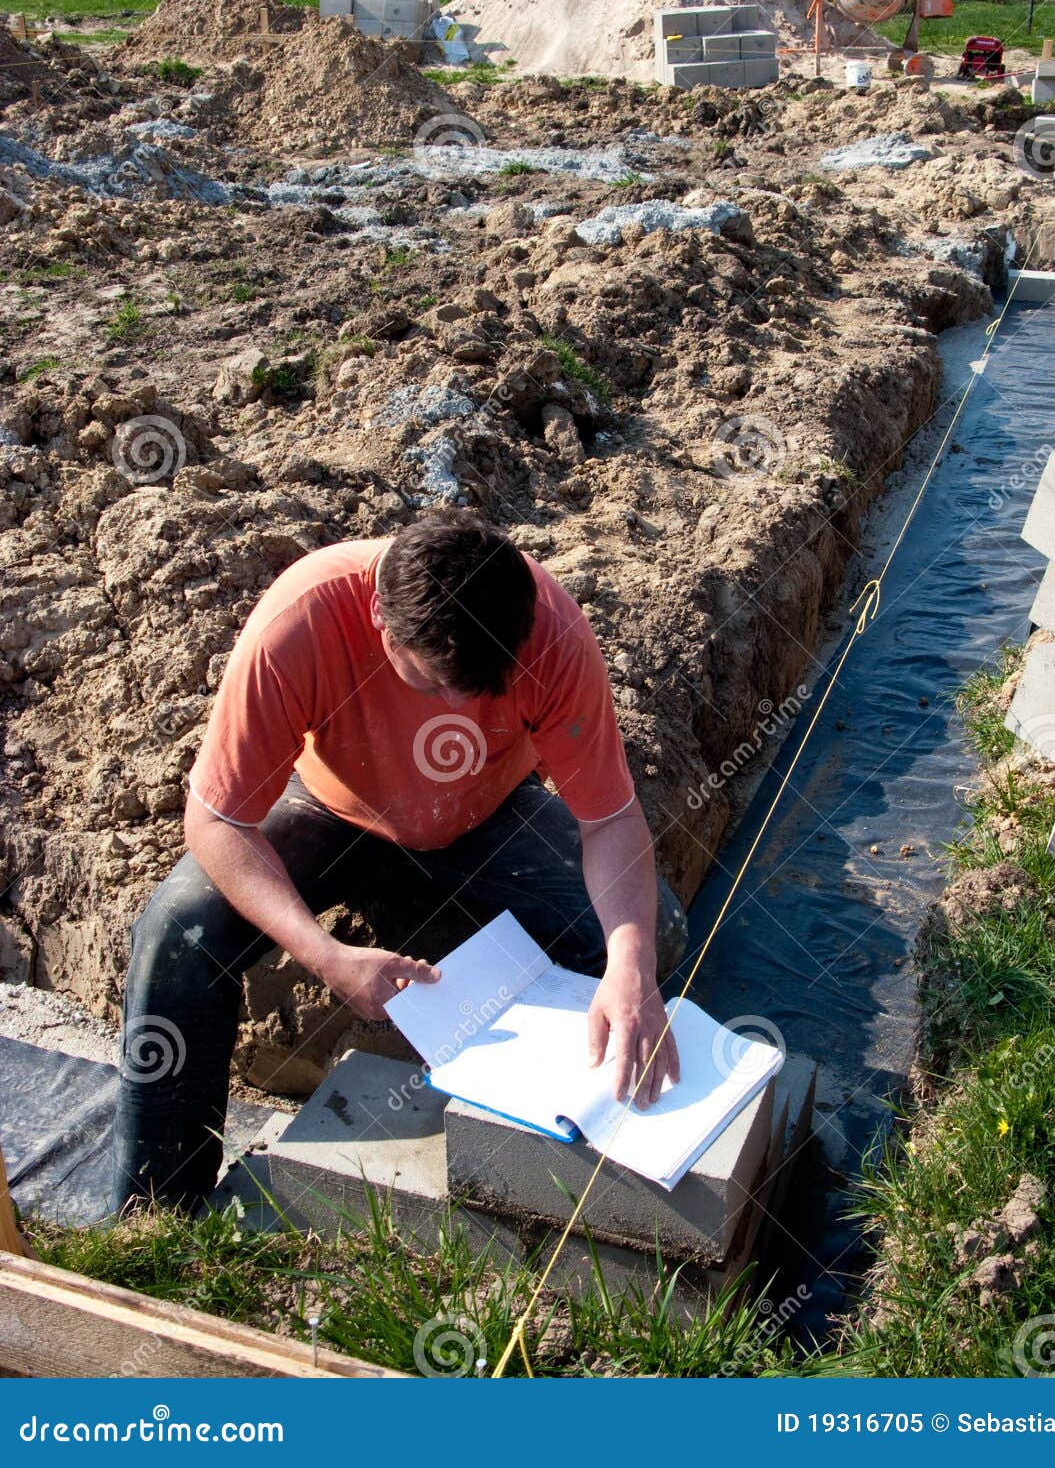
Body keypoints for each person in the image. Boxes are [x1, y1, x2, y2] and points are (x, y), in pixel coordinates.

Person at [112, 508, 687, 1210]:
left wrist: (631, 969)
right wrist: (323, 955)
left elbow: (611, 818)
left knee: (648, 936)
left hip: (485, 815)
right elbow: (218, 820)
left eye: (481, 692)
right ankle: (156, 1211)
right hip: (333, 808)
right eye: (432, 685)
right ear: (380, 619)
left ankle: (559, 1170)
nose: (458, 710)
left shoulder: (552, 633)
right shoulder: (301, 621)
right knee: (179, 930)